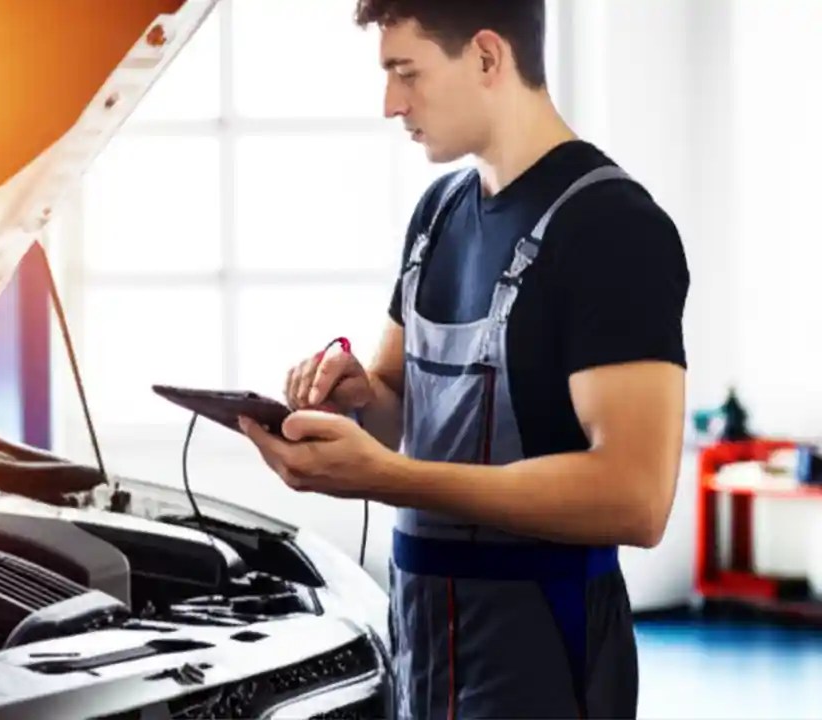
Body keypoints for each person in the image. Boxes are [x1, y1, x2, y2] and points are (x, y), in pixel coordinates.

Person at [237, 1, 689, 718]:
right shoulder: (438, 213)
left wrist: (388, 479)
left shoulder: (613, 229)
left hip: (544, 646)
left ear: (486, 57)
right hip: (422, 636)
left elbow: (635, 498)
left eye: (405, 72)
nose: (390, 104)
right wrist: (356, 399)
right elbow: (397, 413)